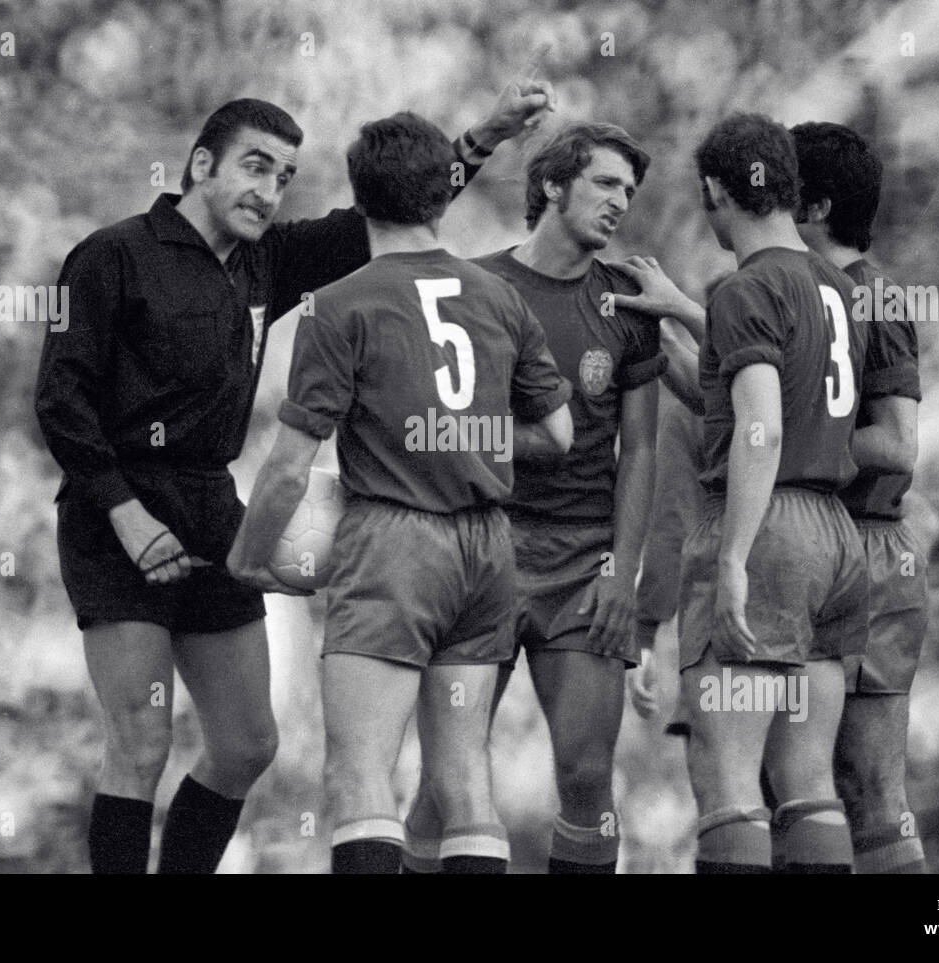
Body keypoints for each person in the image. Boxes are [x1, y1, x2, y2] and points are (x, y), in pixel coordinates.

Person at [34, 86, 553, 875]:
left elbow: (399, 202)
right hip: (117, 519)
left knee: (246, 744)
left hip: (212, 508)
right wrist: (125, 512)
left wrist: (485, 136)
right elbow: (61, 402)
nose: (269, 192)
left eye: (283, 176)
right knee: (140, 741)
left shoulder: (265, 260)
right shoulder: (111, 254)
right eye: (254, 167)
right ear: (200, 165)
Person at [226, 111, 573, 875]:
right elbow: (557, 435)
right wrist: (464, 438)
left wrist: (249, 559)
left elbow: (288, 468)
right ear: (442, 197)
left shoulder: (340, 304)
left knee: (359, 776)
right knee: (462, 782)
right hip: (488, 550)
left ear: (360, 197)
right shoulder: (499, 292)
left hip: (394, 546)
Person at [403, 122, 704, 874]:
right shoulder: (473, 287)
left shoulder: (627, 301)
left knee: (586, 776)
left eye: (629, 191)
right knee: (447, 784)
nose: (619, 202)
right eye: (605, 183)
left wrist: (620, 572)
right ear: (549, 187)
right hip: (485, 550)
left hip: (582, 562)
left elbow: (640, 449)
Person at [679, 112, 869, 874]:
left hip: (769, 525)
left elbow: (760, 429)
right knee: (808, 781)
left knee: (730, 783)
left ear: (718, 190)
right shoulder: (838, 285)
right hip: (836, 536)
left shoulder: (745, 287)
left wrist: (732, 557)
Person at [793, 120, 927, 873]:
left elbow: (898, 442)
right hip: (838, 549)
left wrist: (792, 455)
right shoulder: (813, 292)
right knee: (828, 788)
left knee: (867, 790)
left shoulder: (869, 297)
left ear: (811, 206)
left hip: (865, 550)